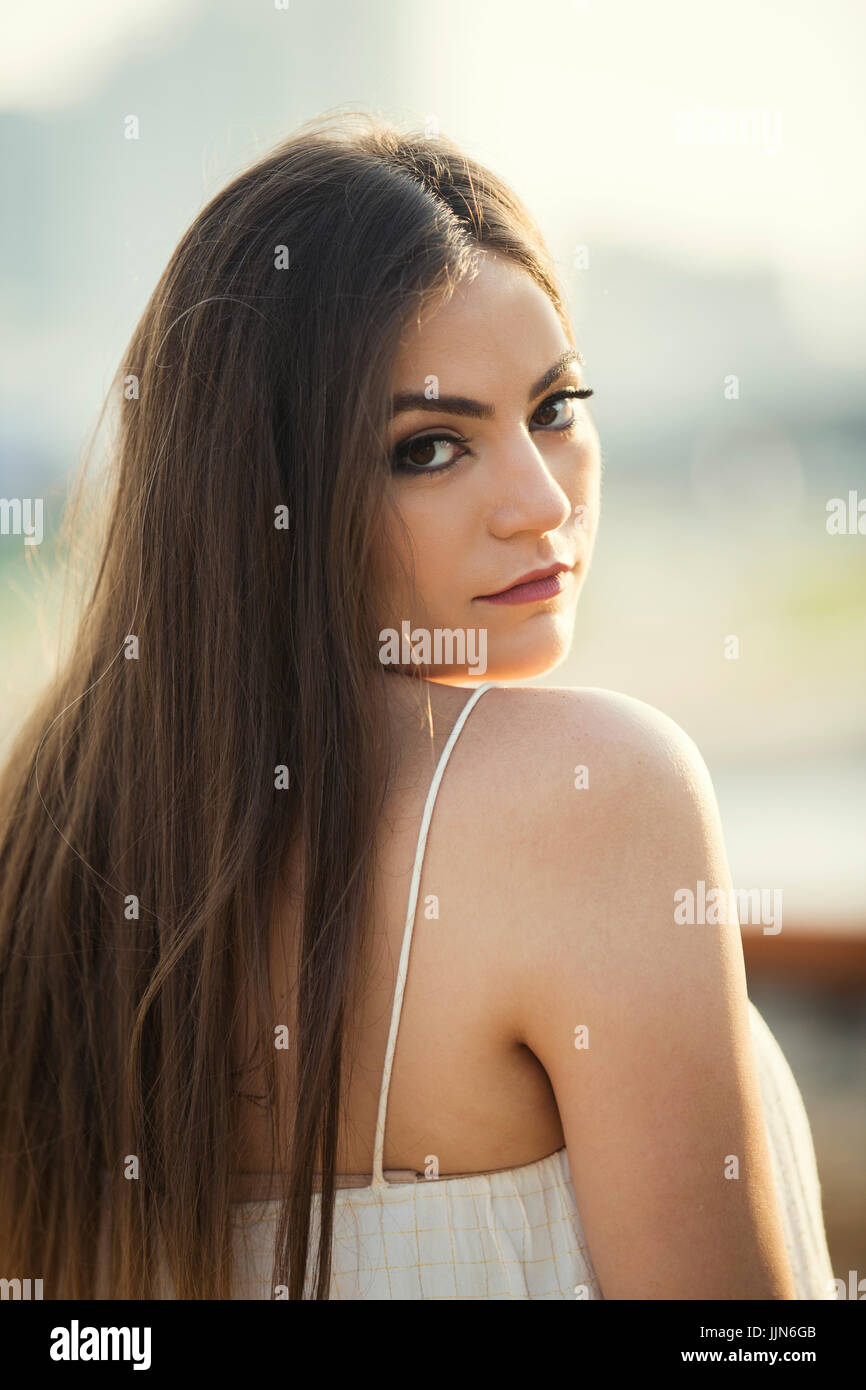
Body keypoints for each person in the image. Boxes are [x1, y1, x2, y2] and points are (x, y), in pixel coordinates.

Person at [0, 112, 836, 1301]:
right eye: (430, 447)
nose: (541, 502)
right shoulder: (594, 788)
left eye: (554, 406)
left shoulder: (49, 832)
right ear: (266, 497)